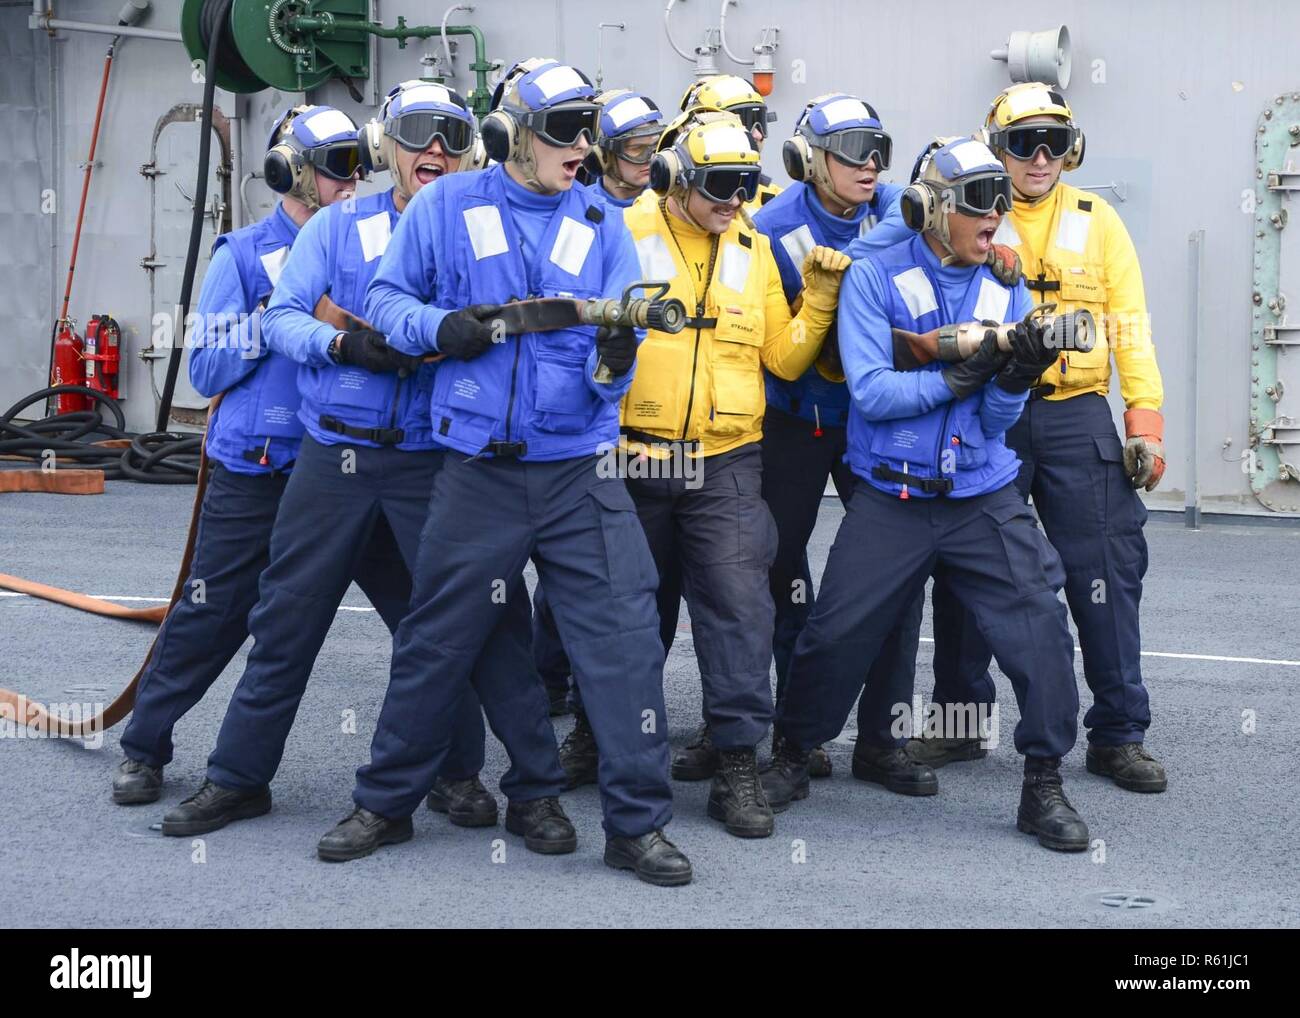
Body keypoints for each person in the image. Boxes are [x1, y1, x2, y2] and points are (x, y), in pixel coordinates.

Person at [322, 59, 692, 886]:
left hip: (579, 471)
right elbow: (385, 299)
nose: (582, 147)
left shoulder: (600, 221)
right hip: (477, 472)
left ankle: (637, 826)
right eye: (565, 130)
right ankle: (384, 803)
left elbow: (615, 367)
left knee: (624, 644)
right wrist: (434, 329)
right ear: (514, 136)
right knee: (433, 641)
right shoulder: (450, 204)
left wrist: (615, 361)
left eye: (587, 130)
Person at [159, 82, 529, 841]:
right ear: (385, 145)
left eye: (453, 136)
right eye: (419, 133)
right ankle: (237, 777)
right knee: (285, 624)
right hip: (334, 460)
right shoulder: (336, 228)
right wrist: (344, 344)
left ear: (470, 150)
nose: (435, 149)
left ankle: (455, 777)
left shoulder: (480, 233)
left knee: (444, 628)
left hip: (432, 462)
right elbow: (287, 316)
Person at [762, 137, 1093, 852]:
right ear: (933, 209)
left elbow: (1000, 422)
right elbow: (875, 395)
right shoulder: (874, 277)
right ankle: (792, 753)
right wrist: (958, 375)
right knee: (834, 634)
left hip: (982, 491)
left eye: (1001, 199)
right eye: (980, 201)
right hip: (892, 496)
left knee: (1039, 625)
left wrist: (1012, 378)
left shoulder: (1006, 282)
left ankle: (1044, 783)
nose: (998, 215)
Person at [558, 113, 848, 839]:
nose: (734, 202)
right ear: (674, 179)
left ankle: (737, 763)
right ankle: (601, 737)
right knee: (627, 612)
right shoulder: (622, 234)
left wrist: (814, 302)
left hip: (726, 460)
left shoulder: (753, 247)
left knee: (740, 607)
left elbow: (782, 362)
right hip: (633, 452)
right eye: (720, 187)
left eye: (746, 186)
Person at [110, 104, 407, 804]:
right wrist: (289, 317)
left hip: (348, 469)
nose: (354, 179)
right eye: (338, 167)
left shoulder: (373, 248)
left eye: (359, 164)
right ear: (290, 172)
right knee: (211, 614)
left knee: (424, 614)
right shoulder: (241, 255)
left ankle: (455, 774)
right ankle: (143, 746)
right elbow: (206, 371)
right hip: (264, 470)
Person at [918, 83, 1168, 795]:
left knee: (1107, 574)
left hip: (1075, 415)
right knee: (968, 569)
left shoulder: (1100, 222)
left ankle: (1118, 734)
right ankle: (961, 727)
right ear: (995, 145)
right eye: (1023, 141)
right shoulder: (969, 210)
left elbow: (1131, 328)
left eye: (1053, 142)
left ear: (1072, 150)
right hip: (989, 408)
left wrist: (1143, 423)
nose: (1039, 157)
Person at [749, 92, 929, 790]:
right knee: (780, 571)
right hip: (795, 423)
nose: (872, 164)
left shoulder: (899, 216)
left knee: (898, 573)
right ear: (807, 160)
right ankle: (799, 734)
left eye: (878, 149)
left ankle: (883, 743)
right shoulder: (769, 227)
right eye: (853, 150)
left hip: (872, 419)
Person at [531, 86, 665, 716]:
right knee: (568, 576)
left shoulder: (665, 211)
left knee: (619, 576)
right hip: (595, 426)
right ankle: (550, 678)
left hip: (646, 421)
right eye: (640, 151)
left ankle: (606, 703)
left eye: (659, 150)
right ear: (604, 154)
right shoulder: (579, 215)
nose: (651, 164)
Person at [676, 74, 782, 211]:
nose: (757, 134)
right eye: (744, 123)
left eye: (760, 121)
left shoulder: (774, 200)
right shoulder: (657, 207)